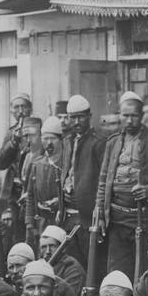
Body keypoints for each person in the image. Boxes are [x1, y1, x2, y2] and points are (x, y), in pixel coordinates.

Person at [96, 92, 148, 279]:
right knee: (117, 271)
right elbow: (103, 181)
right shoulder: (112, 143)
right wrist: (100, 212)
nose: (129, 120)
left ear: (141, 117)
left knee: (144, 273)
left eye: (134, 115)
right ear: (119, 115)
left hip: (145, 219)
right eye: (125, 115)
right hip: (117, 220)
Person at [62, 94, 105, 267]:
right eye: (73, 117)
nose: (77, 121)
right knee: (72, 264)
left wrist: (98, 213)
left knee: (93, 266)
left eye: (81, 116)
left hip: (88, 217)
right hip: (68, 215)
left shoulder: (98, 143)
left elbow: (103, 180)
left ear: (89, 116)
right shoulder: (67, 142)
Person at [0, 92, 34, 242]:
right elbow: (0, 163)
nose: (20, 111)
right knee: (17, 232)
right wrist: (12, 143)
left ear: (30, 109)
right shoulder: (11, 132)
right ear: (11, 112)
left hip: (32, 189)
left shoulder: (39, 128)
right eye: (16, 108)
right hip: (14, 191)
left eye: (23, 106)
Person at [38, 224, 84, 294]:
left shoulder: (73, 268)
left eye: (52, 246)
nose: (47, 251)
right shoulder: (41, 265)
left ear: (63, 248)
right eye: (44, 247)